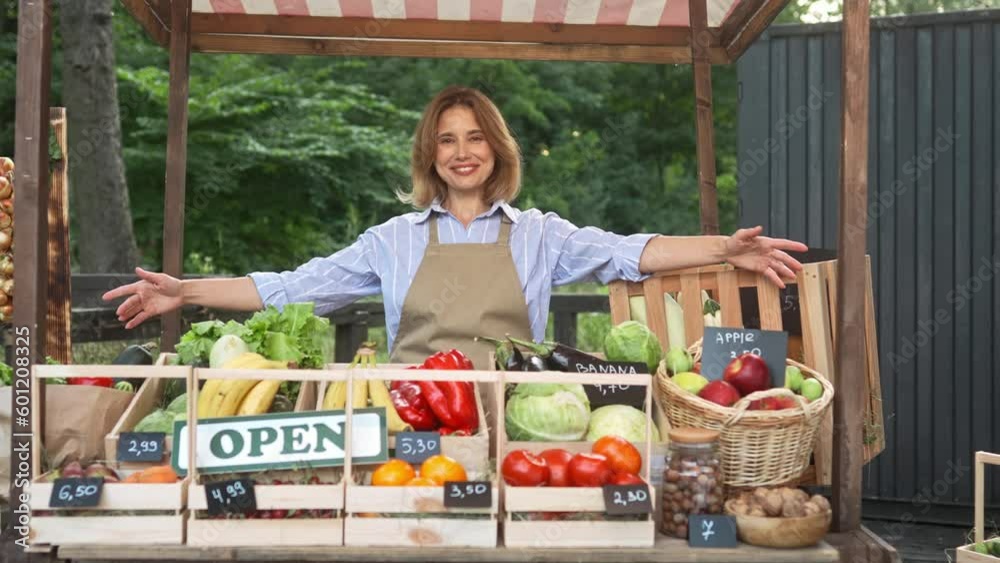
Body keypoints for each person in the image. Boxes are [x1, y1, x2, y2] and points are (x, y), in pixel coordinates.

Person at [104, 86, 807, 368]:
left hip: (510, 420)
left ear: (497, 148)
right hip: (409, 418)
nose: (463, 151)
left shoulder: (540, 233)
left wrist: (725, 247)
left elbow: (633, 253)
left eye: (475, 137)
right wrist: (185, 290)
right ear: (430, 155)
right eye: (447, 140)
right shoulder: (393, 239)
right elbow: (291, 287)